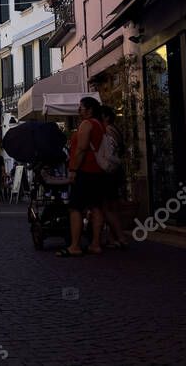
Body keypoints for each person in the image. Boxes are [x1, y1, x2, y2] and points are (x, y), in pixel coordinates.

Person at [63, 96, 108, 257]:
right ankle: (95, 243)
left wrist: (73, 169)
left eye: (81, 108)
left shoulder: (86, 124)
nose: (79, 111)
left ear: (89, 110)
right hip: (98, 172)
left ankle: (74, 245)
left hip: (85, 170)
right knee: (96, 207)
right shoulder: (100, 125)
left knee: (75, 208)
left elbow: (81, 148)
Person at [100, 105, 131, 249]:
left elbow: (109, 153)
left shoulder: (107, 131)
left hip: (109, 173)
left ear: (106, 117)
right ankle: (113, 238)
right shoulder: (115, 130)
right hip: (116, 172)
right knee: (112, 207)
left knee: (107, 207)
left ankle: (120, 237)